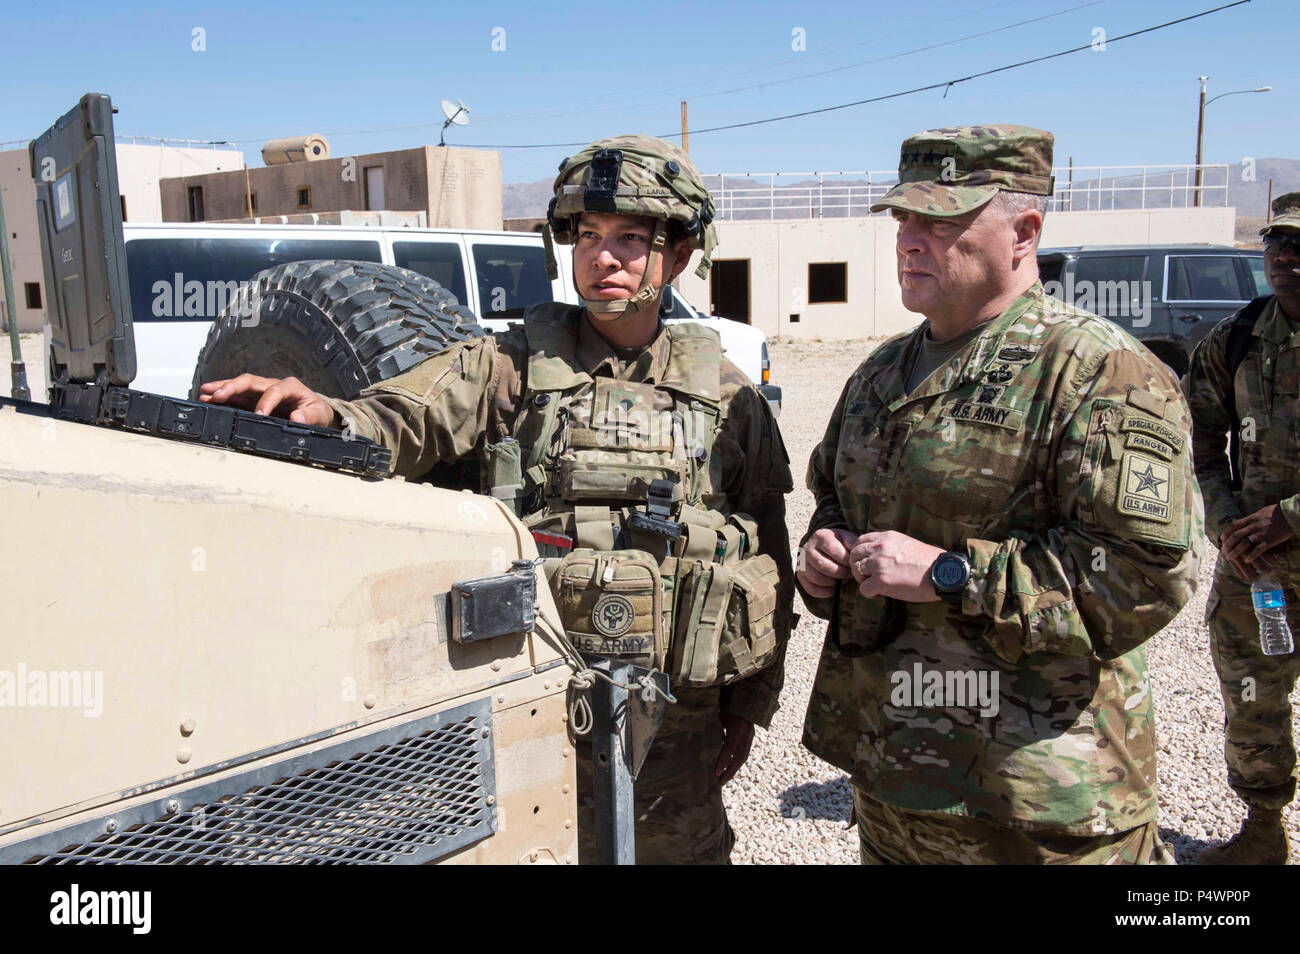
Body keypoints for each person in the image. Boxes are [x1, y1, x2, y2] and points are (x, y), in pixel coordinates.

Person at [198, 135, 795, 865]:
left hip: (676, 718)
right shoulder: (506, 367)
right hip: (535, 701)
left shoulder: (727, 394)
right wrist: (328, 413)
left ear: (677, 255)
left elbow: (768, 542)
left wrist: (751, 705)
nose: (602, 258)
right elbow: (402, 418)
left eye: (630, 240)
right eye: (586, 236)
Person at [795, 124, 1203, 864]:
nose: (910, 240)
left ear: (1024, 231)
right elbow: (833, 495)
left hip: (1038, 801)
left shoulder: (1098, 372)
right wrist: (824, 550)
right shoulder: (880, 374)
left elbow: (1148, 576)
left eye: (942, 221)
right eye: (903, 219)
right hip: (897, 779)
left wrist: (949, 574)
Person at [1183, 191, 1300, 865]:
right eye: (1275, 243)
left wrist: (1289, 517)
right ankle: (1263, 831)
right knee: (1253, 700)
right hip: (1257, 573)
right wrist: (1224, 521)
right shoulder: (1235, 341)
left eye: (1299, 245)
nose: (1284, 256)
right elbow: (1199, 442)